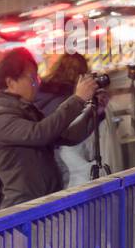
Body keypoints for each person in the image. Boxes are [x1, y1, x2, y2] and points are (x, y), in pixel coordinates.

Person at [0, 47, 99, 208]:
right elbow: (40, 134)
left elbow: (68, 136)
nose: (36, 83)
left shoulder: (28, 110)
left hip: (46, 202)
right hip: (24, 208)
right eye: (31, 78)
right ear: (10, 82)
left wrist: (96, 112)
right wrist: (77, 99)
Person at [35, 53, 111, 189]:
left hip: (50, 170)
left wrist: (96, 111)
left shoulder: (43, 94)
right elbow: (71, 136)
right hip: (66, 169)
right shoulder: (66, 101)